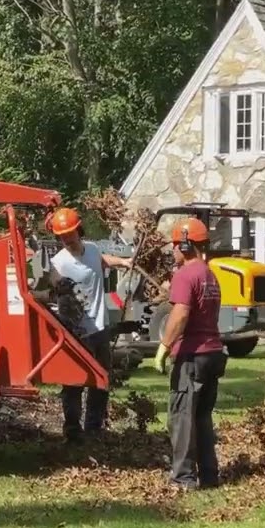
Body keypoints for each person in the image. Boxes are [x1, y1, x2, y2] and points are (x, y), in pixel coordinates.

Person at [45, 207, 133, 442]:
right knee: (74, 382)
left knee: (101, 380)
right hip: (76, 332)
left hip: (100, 328)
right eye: (62, 236)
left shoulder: (92, 250)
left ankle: (94, 428)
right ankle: (73, 431)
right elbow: (52, 278)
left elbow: (102, 261)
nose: (66, 239)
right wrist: (59, 284)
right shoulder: (59, 262)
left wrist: (123, 262)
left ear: (79, 230)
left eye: (69, 234)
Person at [153, 217, 226, 490]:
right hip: (212, 354)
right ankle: (209, 475)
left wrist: (164, 346)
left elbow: (181, 313)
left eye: (175, 244)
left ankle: (183, 478)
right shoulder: (210, 275)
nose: (173, 250)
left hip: (191, 356)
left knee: (182, 418)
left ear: (185, 245)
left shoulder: (185, 274)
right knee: (202, 418)